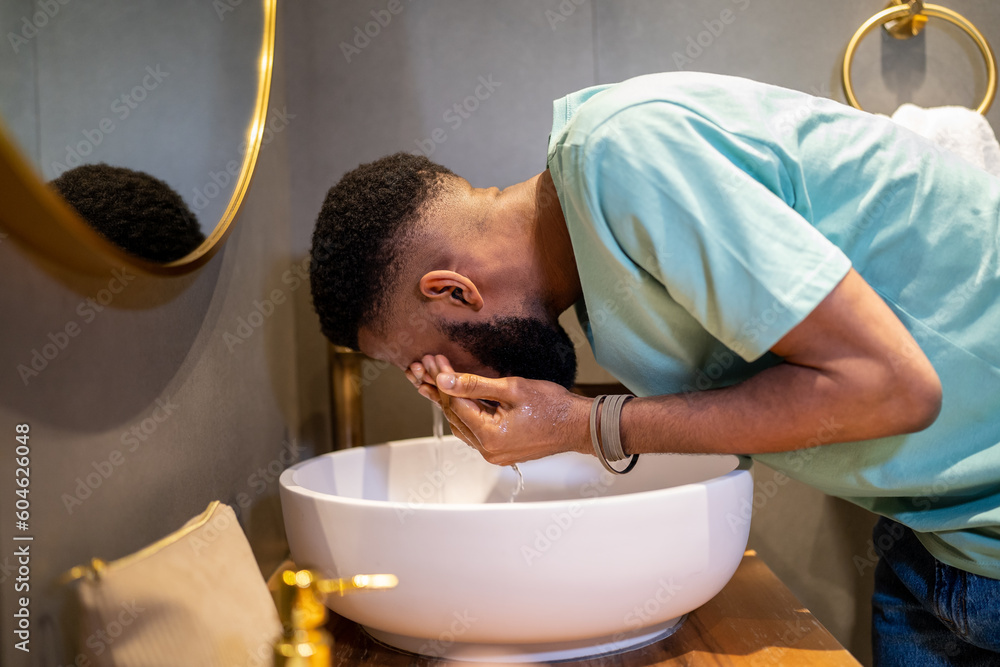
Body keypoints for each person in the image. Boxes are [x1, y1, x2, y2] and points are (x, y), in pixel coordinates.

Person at [309, 71, 1000, 665]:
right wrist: (564, 418)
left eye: (419, 358)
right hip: (938, 547)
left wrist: (582, 426)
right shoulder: (600, 261)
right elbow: (755, 395)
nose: (436, 380)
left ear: (454, 291)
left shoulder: (626, 156)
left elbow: (891, 388)